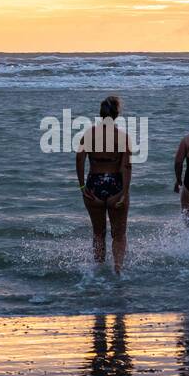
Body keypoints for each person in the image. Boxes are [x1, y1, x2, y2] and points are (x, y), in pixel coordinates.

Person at [77, 95, 131, 273]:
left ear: (100, 114)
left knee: (98, 233)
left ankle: (99, 270)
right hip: (115, 183)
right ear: (117, 114)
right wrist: (124, 192)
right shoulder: (122, 137)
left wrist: (82, 186)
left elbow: (79, 159)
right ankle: (118, 268)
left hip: (94, 185)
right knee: (119, 234)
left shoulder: (88, 134)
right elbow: (126, 167)